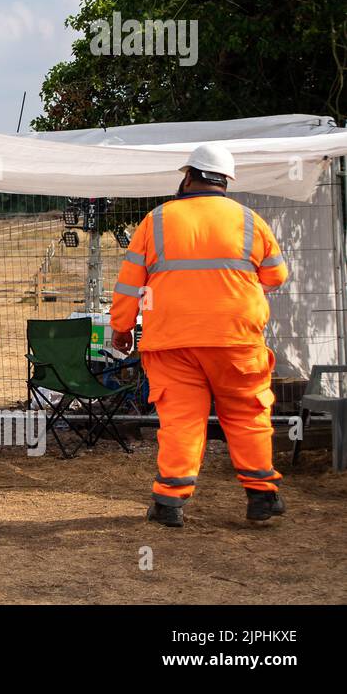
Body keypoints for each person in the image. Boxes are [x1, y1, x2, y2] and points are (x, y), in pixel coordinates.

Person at [110, 143, 289, 528]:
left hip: (172, 342)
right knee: (247, 415)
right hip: (236, 338)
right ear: (225, 180)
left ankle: (169, 502)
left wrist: (121, 328)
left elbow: (129, 285)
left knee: (181, 420)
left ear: (188, 176)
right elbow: (276, 276)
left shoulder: (156, 221)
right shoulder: (249, 221)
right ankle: (261, 496)